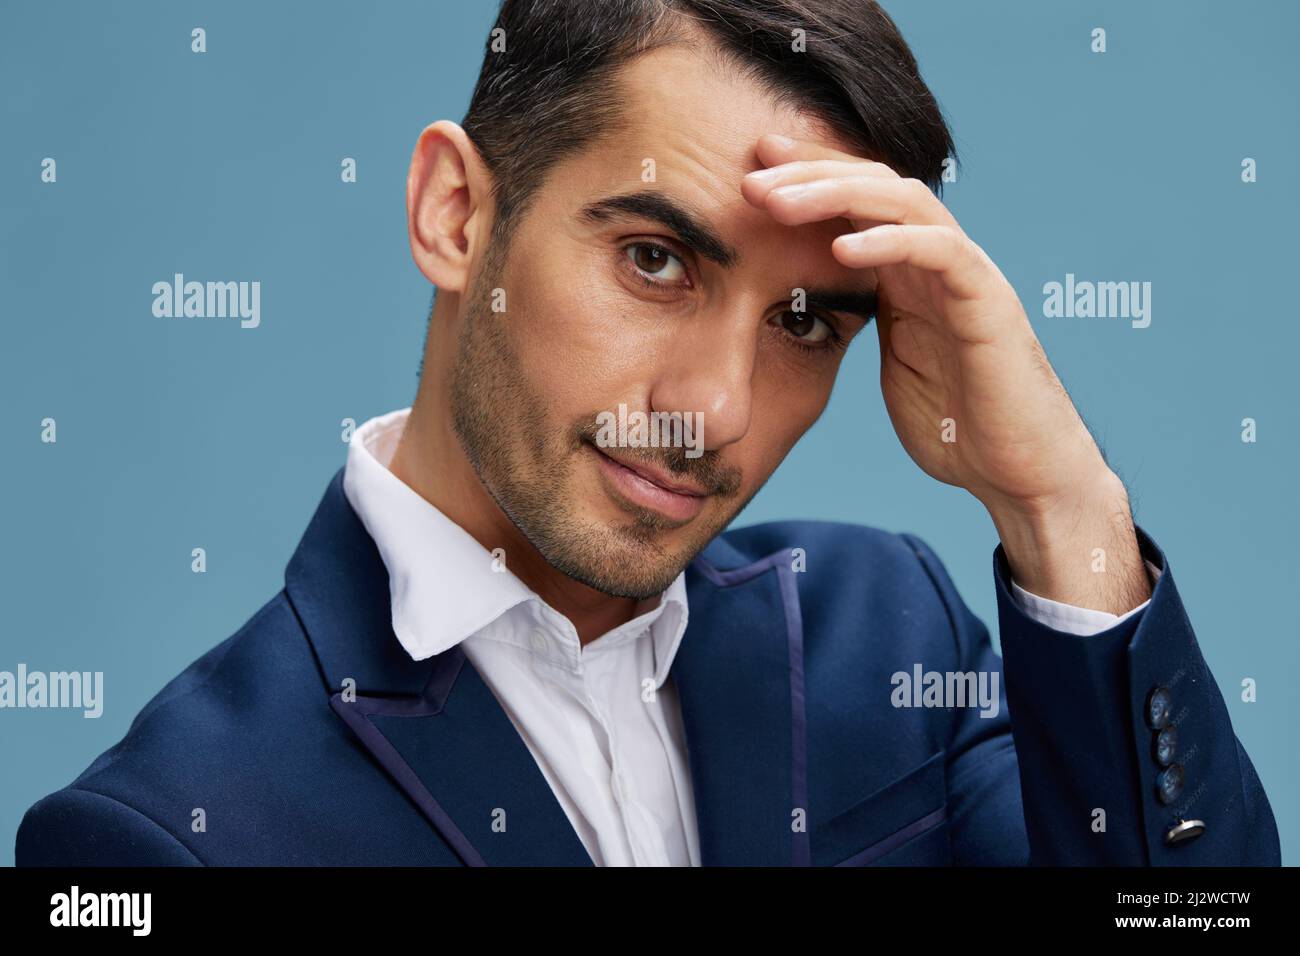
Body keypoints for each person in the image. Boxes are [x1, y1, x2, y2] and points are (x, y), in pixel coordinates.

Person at [16, 0, 1279, 866]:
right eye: (655, 259)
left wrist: (1058, 505)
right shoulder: (166, 836)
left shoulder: (885, 634)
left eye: (802, 319)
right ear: (457, 214)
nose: (715, 410)